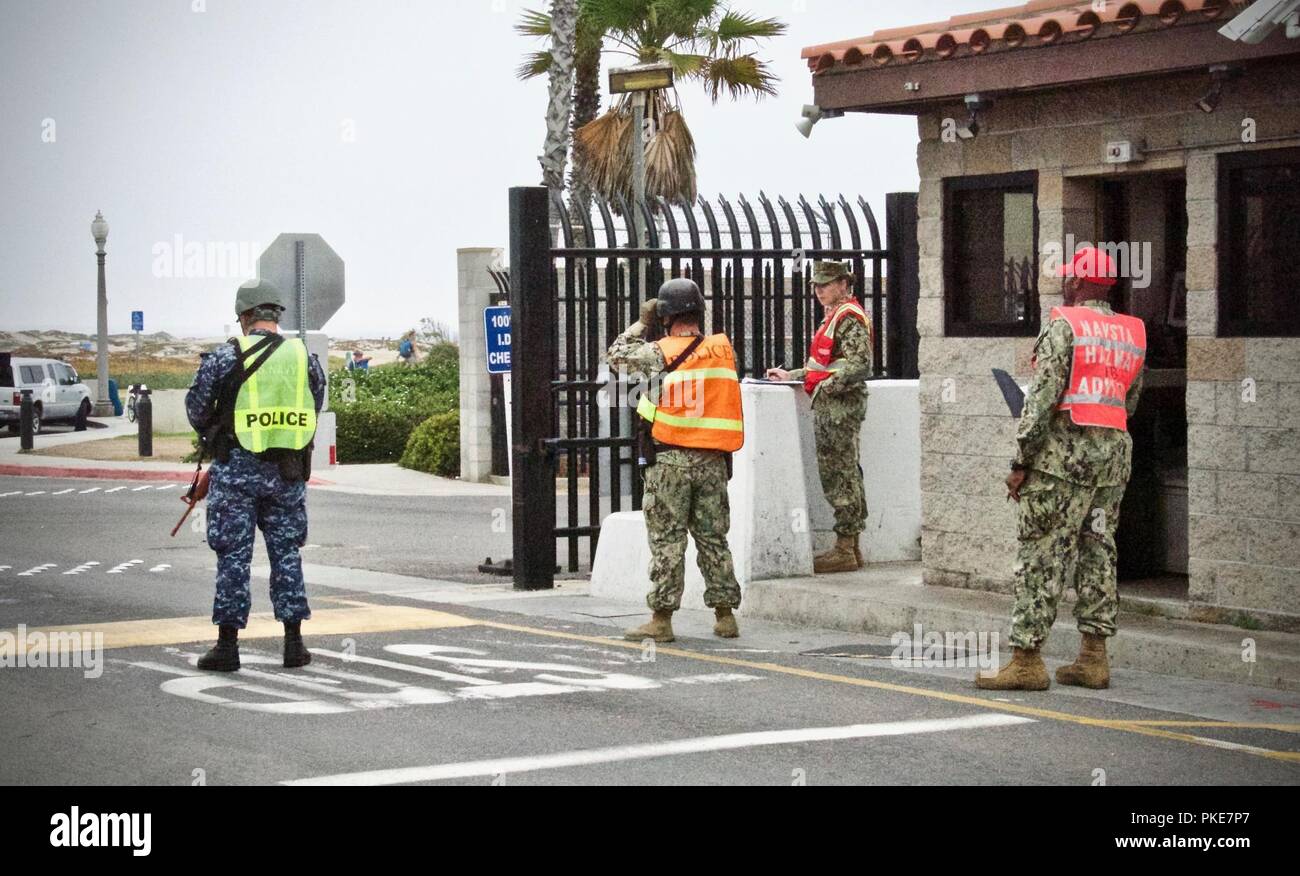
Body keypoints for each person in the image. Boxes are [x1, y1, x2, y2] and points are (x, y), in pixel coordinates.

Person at [977, 246, 1145, 691]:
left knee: (1041, 554)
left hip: (1060, 465)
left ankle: (1027, 660)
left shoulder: (1064, 326)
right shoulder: (1130, 332)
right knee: (1098, 552)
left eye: (1067, 279)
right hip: (1111, 465)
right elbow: (1129, 402)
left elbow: (1041, 400)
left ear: (1075, 283)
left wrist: (1020, 463)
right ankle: (1093, 657)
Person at [185, 278, 326, 672]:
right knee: (287, 555)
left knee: (233, 557)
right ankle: (294, 645)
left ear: (245, 317)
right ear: (276, 315)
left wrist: (222, 427)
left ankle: (227, 648)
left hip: (237, 475)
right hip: (287, 473)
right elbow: (314, 402)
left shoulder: (225, 357)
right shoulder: (303, 357)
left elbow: (196, 410)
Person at [607, 278, 745, 643]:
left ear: (665, 316)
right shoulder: (723, 350)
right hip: (714, 461)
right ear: (700, 312)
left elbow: (615, 354)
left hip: (670, 461)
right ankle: (725, 616)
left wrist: (642, 322)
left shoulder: (658, 351)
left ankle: (662, 619)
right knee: (714, 539)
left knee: (668, 541)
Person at [765, 261, 872, 574]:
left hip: (839, 405)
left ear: (842, 283)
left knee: (839, 472)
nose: (818, 290)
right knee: (843, 470)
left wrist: (827, 387)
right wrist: (791, 375)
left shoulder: (847, 317)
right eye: (816, 285)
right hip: (834, 403)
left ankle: (845, 548)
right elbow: (824, 366)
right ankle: (849, 547)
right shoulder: (837, 316)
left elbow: (858, 366)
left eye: (824, 284)